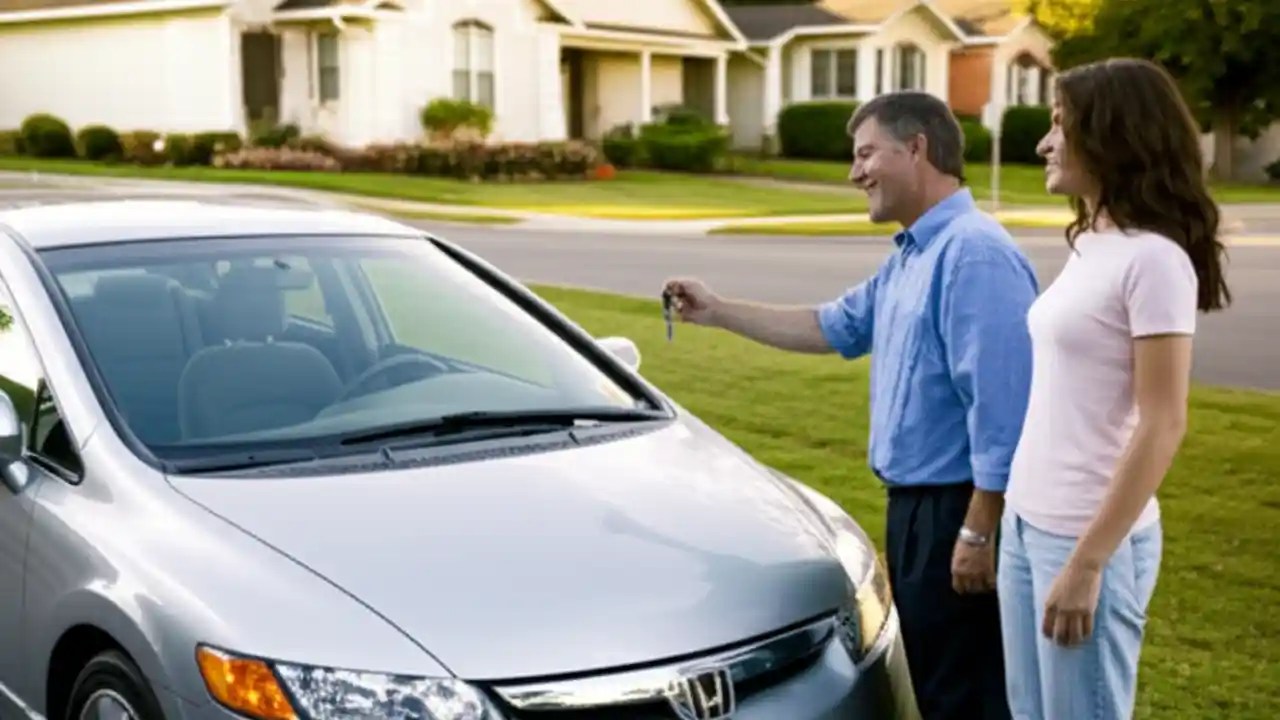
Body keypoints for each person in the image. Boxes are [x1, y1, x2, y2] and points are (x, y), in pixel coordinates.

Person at [663, 91, 1038, 719]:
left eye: (866, 154)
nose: (854, 172)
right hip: (918, 513)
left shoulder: (974, 255)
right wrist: (718, 310)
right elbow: (828, 327)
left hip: (957, 511)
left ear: (916, 148)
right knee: (936, 688)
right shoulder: (912, 257)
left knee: (967, 695)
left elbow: (1003, 411)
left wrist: (978, 530)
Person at [997, 57, 1232, 720]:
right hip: (1026, 522)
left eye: (1059, 125)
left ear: (1112, 135)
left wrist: (1089, 563)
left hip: (1084, 537)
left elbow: (1164, 422)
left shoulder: (1154, 260)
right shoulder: (1094, 242)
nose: (1044, 143)